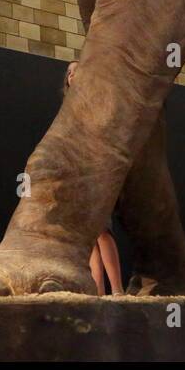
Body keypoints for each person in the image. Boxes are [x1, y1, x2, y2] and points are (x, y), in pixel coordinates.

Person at [64, 61, 123, 295]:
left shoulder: (99, 103)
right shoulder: (67, 110)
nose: (72, 75)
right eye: (69, 72)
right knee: (88, 235)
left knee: (102, 229)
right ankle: (97, 291)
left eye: (77, 70)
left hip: (98, 170)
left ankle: (117, 289)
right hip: (77, 173)